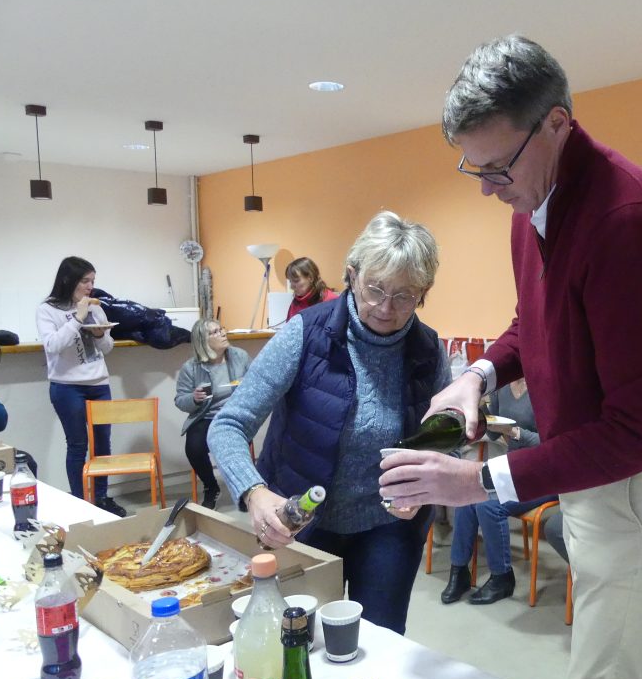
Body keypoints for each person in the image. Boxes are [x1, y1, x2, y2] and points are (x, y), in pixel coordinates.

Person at [379, 35, 642, 679]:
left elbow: (637, 432)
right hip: (603, 467)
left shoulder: (627, 222)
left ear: (558, 124)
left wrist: (477, 482)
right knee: (627, 673)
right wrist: (479, 374)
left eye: (496, 165)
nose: (484, 186)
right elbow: (532, 319)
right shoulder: (532, 200)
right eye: (470, 167)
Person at [209, 211, 448, 635]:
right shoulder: (304, 334)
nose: (386, 308)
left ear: (423, 293)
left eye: (405, 295)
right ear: (351, 275)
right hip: (301, 526)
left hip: (390, 529)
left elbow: (443, 441)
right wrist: (255, 492)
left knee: (379, 643)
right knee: (300, 644)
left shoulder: (428, 349)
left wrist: (425, 484)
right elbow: (228, 424)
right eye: (375, 288)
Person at [441, 378, 555, 605]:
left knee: (489, 506)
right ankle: (459, 571)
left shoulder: (546, 387)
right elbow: (493, 433)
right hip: (516, 471)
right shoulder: (504, 387)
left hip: (547, 476)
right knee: (467, 496)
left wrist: (513, 432)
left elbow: (552, 445)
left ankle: (502, 577)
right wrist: (480, 414)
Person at [36, 256, 125, 516]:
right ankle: (79, 501)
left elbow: (107, 348)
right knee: (77, 445)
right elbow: (52, 345)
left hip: (99, 383)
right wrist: (78, 318)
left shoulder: (97, 309)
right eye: (85, 281)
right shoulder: (47, 309)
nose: (90, 286)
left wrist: (99, 335)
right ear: (68, 280)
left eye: (93, 281)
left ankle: (101, 498)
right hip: (67, 387)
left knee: (103, 444)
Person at [174, 319, 251, 509]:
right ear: (203, 341)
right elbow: (179, 400)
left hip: (234, 415)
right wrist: (194, 398)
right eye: (215, 332)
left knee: (234, 446)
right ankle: (211, 487)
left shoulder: (240, 356)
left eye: (221, 329)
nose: (223, 334)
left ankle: (245, 491)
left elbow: (255, 382)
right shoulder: (191, 367)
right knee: (194, 448)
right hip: (205, 416)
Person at [285, 256, 339, 321]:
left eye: (296, 281)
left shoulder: (331, 300)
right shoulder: (296, 302)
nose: (291, 286)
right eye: (290, 281)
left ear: (310, 278)